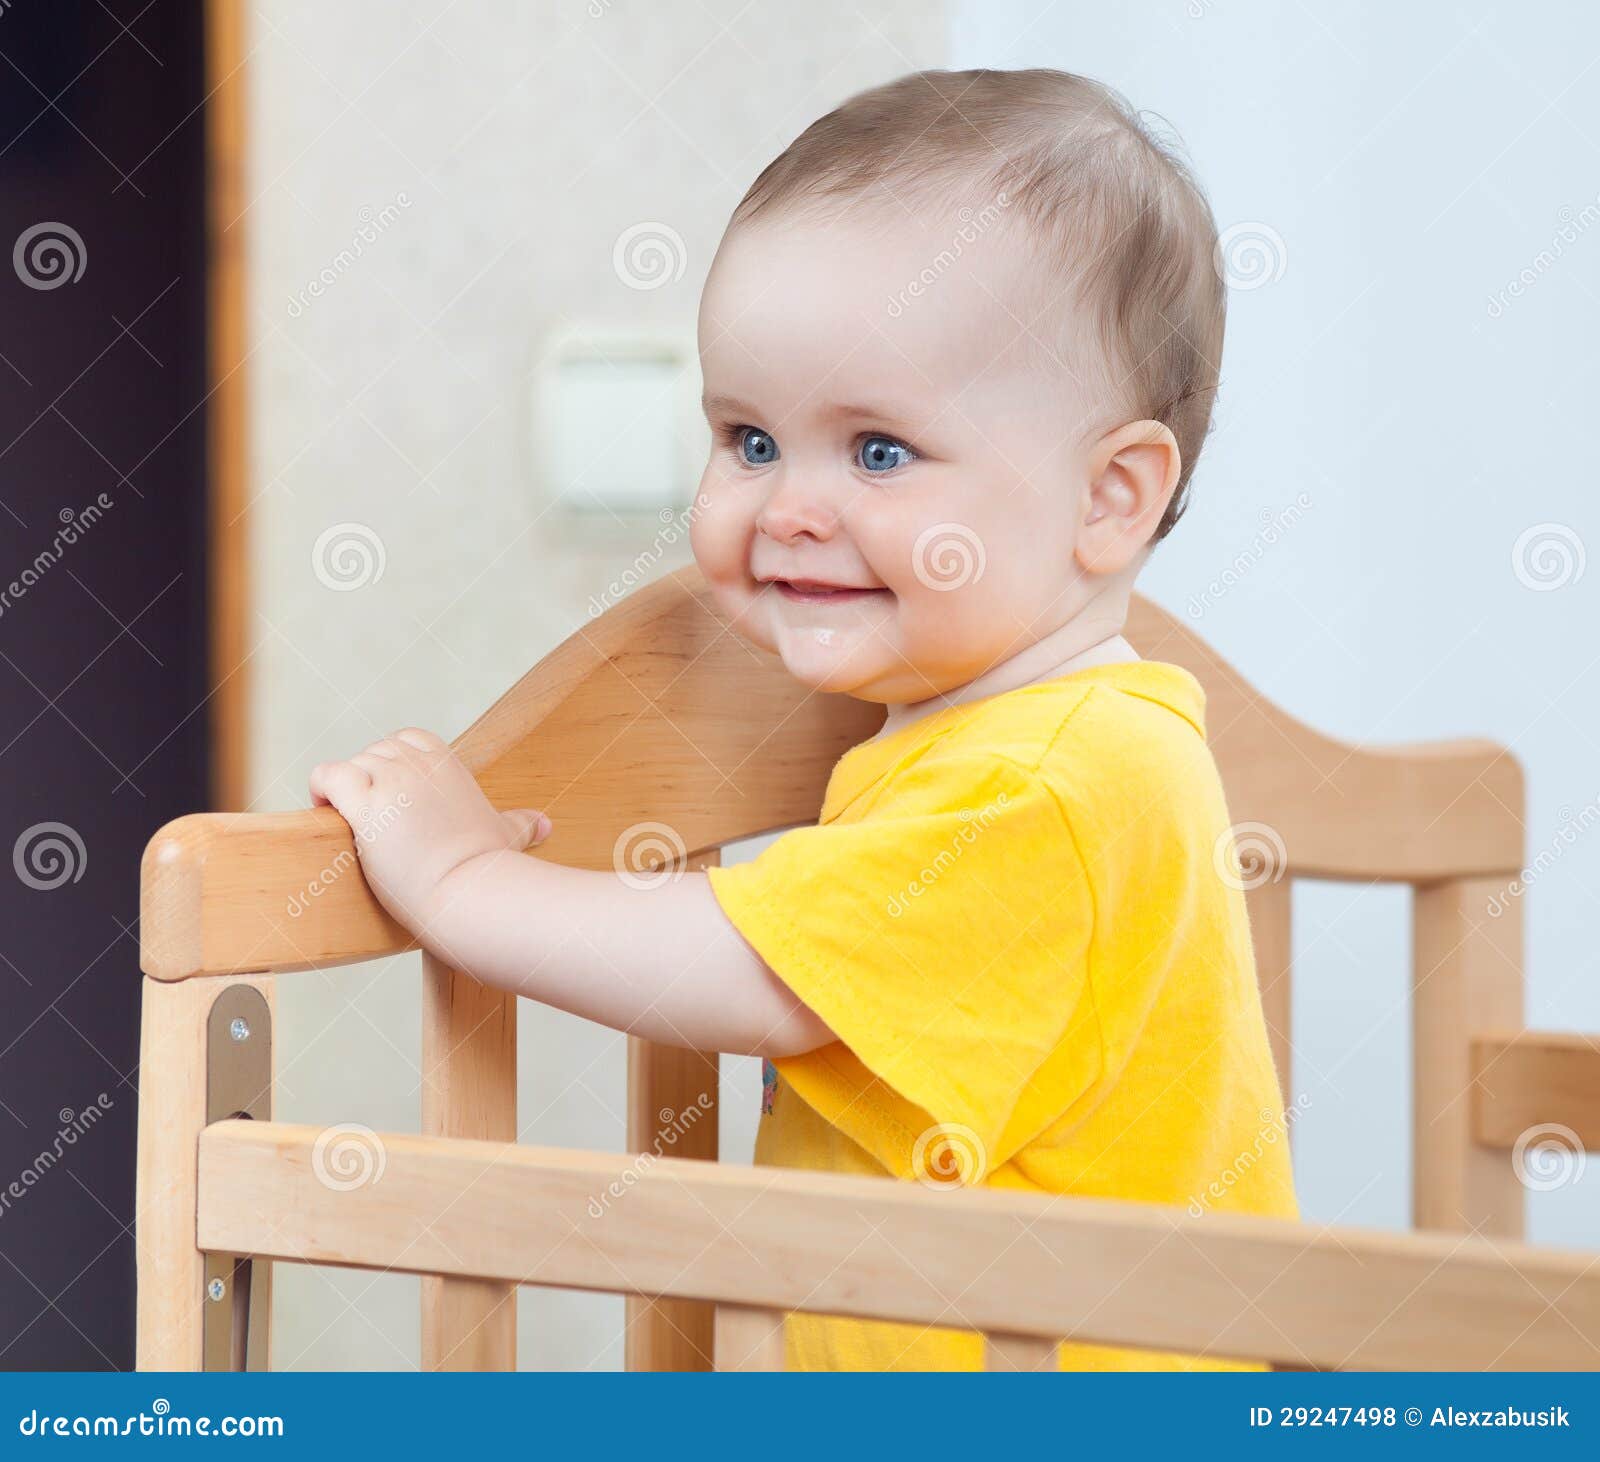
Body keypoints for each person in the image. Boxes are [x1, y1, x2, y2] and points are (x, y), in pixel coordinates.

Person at [310, 67, 1298, 1371]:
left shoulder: (1059, 783)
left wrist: (458, 878)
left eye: (879, 450)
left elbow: (758, 972)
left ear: (1109, 496)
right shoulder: (996, 735)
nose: (787, 508)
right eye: (750, 438)